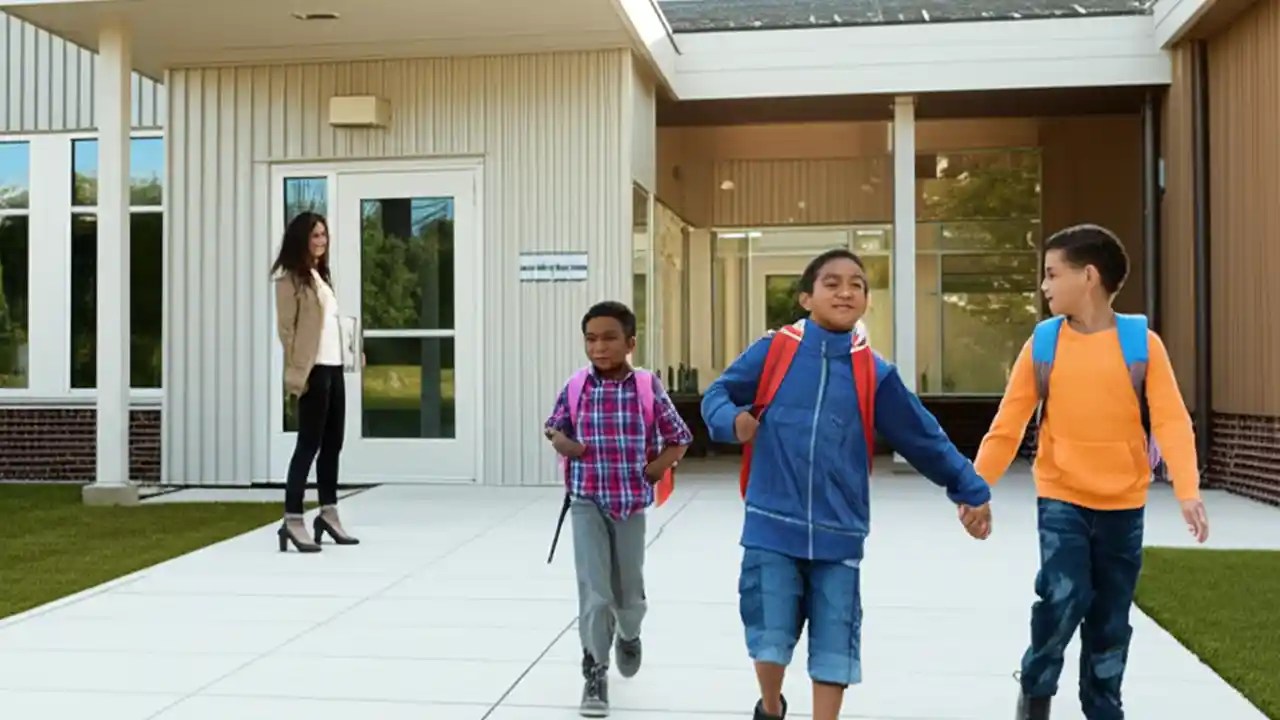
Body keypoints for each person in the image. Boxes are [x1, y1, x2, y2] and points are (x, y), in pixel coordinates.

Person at [701, 248, 994, 720]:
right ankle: (771, 707)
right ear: (806, 298)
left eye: (857, 284)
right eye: (832, 283)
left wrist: (970, 488)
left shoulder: (874, 372)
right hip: (771, 523)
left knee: (835, 644)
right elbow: (717, 393)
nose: (845, 291)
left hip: (839, 531)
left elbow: (923, 437)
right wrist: (730, 421)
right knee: (769, 635)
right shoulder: (775, 351)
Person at [972, 224, 1210, 720]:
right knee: (1063, 595)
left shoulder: (1140, 344)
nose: (1045, 285)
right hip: (1062, 496)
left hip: (1124, 504)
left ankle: (1103, 707)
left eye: (1052, 274)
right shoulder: (1044, 343)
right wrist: (975, 488)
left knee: (1110, 618)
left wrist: (1188, 490)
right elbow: (1009, 423)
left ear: (1089, 277)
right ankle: (1036, 689)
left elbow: (1171, 420)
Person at [543, 300, 693, 718]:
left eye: (609, 338)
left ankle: (629, 634)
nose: (599, 347)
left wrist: (655, 469)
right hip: (586, 501)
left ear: (630, 343)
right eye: (591, 339)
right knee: (595, 592)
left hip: (629, 505)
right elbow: (553, 424)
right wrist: (562, 442)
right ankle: (595, 669)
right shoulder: (577, 386)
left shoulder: (646, 387)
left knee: (629, 596)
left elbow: (680, 437)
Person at [272, 211, 360, 553]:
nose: (321, 241)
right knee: (308, 445)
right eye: (315, 235)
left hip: (335, 368)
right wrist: (298, 371)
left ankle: (328, 514)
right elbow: (287, 332)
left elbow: (328, 326)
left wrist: (352, 350)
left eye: (323, 234)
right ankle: (293, 519)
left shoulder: (321, 277)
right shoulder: (289, 280)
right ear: (301, 239)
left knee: (333, 443)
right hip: (313, 370)